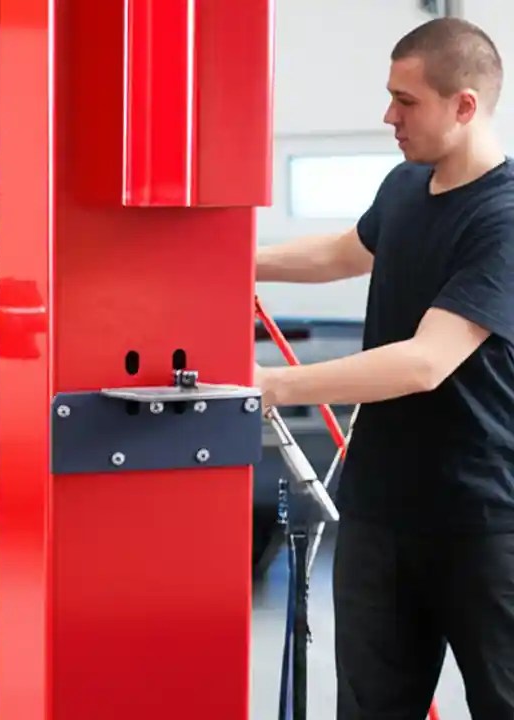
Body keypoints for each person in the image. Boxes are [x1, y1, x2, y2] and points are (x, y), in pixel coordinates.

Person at [255, 17, 514, 720]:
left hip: (483, 522)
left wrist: (273, 385)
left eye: (407, 101)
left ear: (464, 105)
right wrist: (229, 259)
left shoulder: (503, 218)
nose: (387, 116)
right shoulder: (405, 185)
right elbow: (344, 251)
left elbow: (428, 362)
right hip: (378, 515)